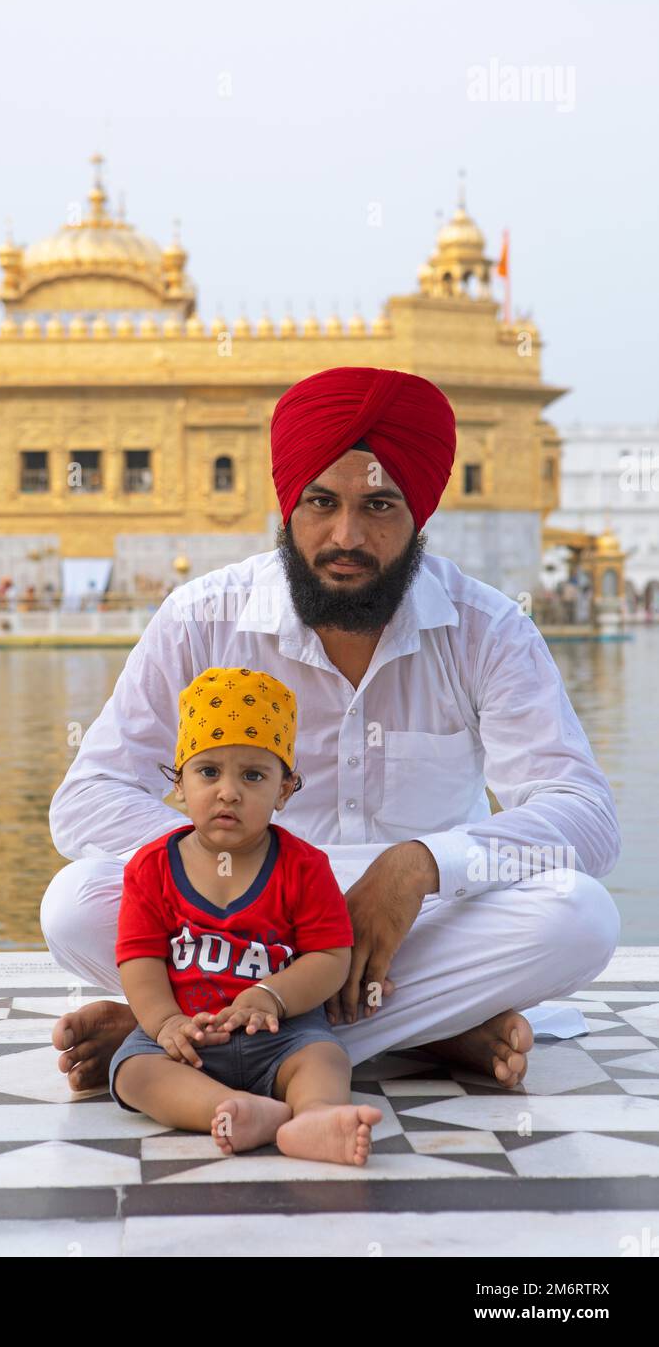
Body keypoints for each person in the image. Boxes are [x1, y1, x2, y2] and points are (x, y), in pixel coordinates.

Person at [43, 365, 621, 1099]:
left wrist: (418, 866)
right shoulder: (203, 619)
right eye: (322, 502)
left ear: (419, 514)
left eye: (378, 505)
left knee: (578, 915)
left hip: (415, 917)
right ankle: (433, 1030)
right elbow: (86, 801)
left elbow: (588, 818)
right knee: (74, 903)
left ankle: (190, 1028)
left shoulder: (487, 631)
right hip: (241, 917)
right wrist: (266, 872)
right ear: (289, 506)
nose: (346, 536)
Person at [108, 666, 383, 1164]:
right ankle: (231, 1109)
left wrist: (272, 995)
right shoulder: (151, 869)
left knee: (324, 1059)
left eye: (253, 775)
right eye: (208, 771)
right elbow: (139, 957)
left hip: (281, 1034)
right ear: (178, 784)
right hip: (188, 1034)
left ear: (284, 790)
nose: (228, 792)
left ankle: (316, 1116)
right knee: (135, 1072)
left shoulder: (304, 867)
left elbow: (330, 956)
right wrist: (165, 1021)